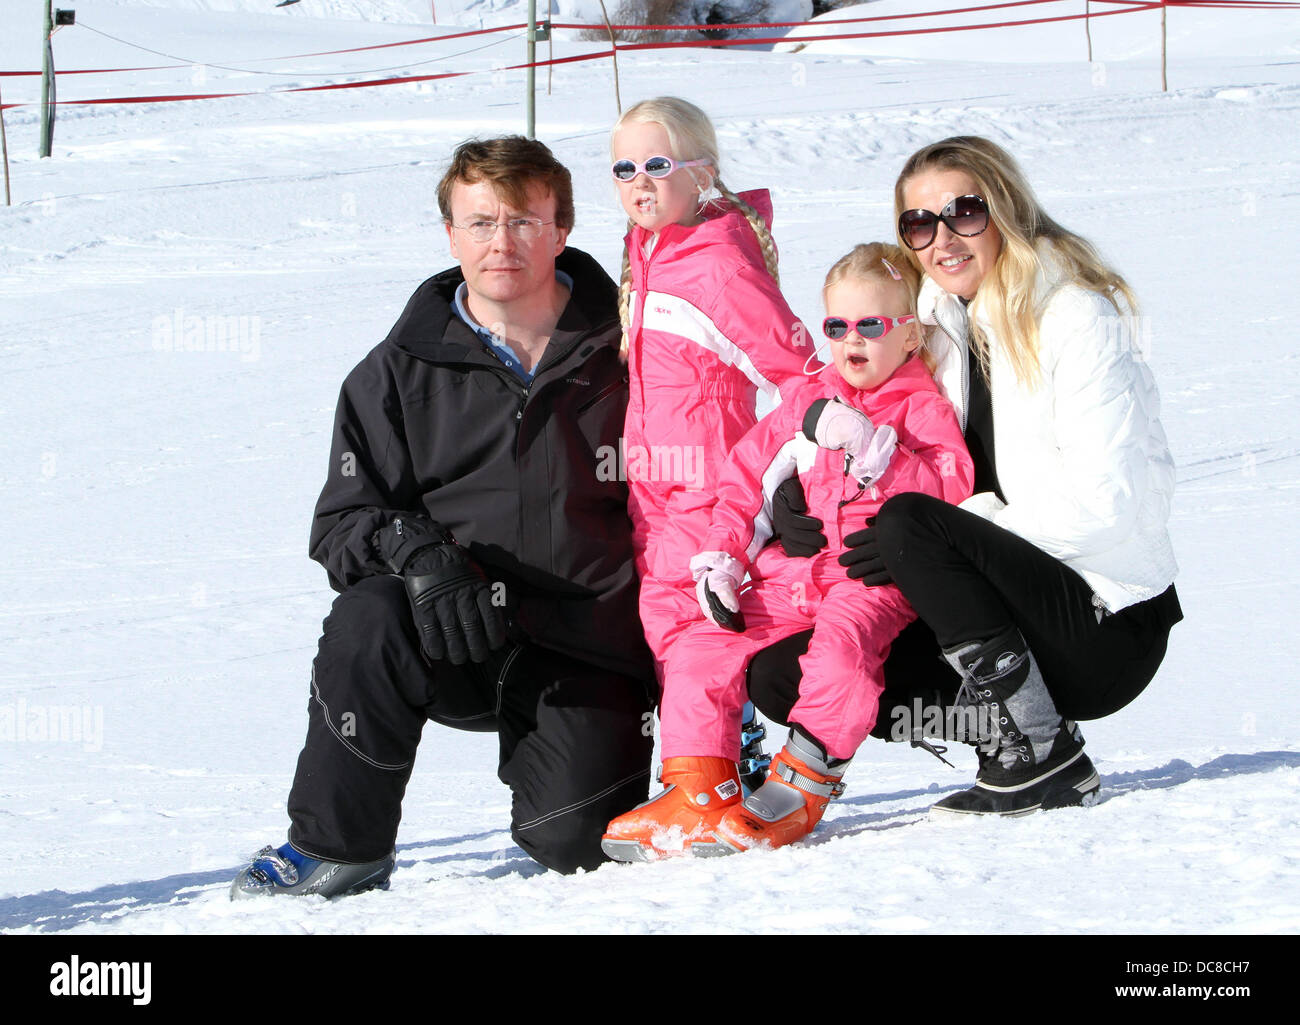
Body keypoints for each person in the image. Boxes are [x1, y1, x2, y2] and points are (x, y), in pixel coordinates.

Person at [230, 136, 655, 898]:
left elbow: (703, 490)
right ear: (450, 233)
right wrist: (416, 548)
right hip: (454, 630)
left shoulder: (632, 346)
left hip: (592, 645)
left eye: (526, 221)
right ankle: (337, 844)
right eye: (481, 222)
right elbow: (341, 524)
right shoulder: (395, 370)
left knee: (580, 843)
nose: (503, 242)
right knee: (369, 613)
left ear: (562, 230)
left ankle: (589, 781)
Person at [752, 136, 1182, 817]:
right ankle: (1005, 731)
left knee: (908, 521)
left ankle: (1042, 752)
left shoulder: (1075, 317)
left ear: (1004, 208)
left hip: (1102, 623)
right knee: (781, 674)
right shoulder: (935, 320)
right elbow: (842, 393)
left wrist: (939, 537)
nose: (942, 238)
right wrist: (793, 497)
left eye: (964, 212)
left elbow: (1110, 506)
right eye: (919, 223)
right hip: (993, 609)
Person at [601, 243, 974, 861]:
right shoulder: (807, 401)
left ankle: (802, 781)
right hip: (793, 572)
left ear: (910, 336)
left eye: (870, 326)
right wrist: (726, 560)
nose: (851, 341)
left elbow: (950, 484)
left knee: (841, 650)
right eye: (836, 327)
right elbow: (748, 479)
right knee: (701, 643)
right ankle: (696, 786)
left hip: (869, 576)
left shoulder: (919, 405)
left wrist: (880, 454)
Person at [610, 97, 814, 686]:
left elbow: (799, 374)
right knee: (668, 619)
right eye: (625, 170)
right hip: (651, 482)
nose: (639, 184)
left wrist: (784, 469)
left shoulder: (718, 266)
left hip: (706, 483)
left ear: (700, 173)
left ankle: (708, 766)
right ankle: (719, 751)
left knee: (678, 621)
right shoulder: (648, 250)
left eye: (656, 166)